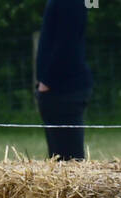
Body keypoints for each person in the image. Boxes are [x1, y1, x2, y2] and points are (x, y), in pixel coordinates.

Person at [36, 0, 93, 161]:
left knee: (69, 163)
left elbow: (67, 45)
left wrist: (47, 82)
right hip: (62, 87)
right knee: (60, 161)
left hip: (64, 89)